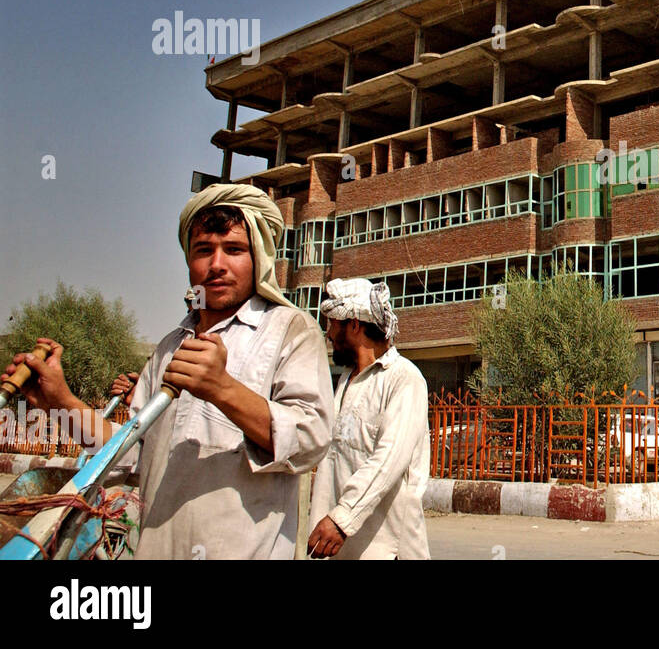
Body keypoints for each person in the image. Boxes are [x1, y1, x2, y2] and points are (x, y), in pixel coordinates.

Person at [5, 184, 334, 558]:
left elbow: (311, 440)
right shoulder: (169, 346)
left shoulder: (291, 330)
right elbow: (129, 452)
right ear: (188, 260)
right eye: (203, 251)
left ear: (258, 256)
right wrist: (58, 399)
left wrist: (222, 389)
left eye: (234, 250)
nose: (217, 265)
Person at [308, 278, 430, 560]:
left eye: (332, 324)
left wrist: (342, 519)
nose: (328, 335)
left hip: (386, 549)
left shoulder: (404, 379)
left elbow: (388, 460)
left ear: (353, 324)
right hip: (337, 546)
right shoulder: (345, 381)